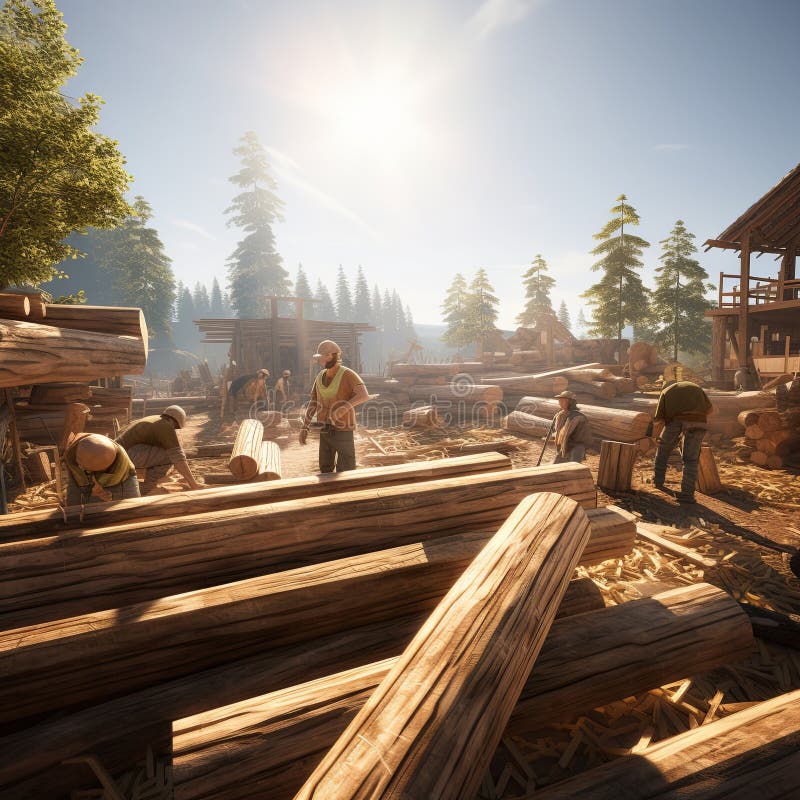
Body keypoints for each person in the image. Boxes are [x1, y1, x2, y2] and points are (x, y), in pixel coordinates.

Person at [299, 340, 369, 473]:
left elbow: (363, 395)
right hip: (325, 428)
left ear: (331, 355)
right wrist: (305, 426)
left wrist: (344, 408)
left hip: (343, 429)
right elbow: (313, 402)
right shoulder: (320, 377)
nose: (320, 362)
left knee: (346, 470)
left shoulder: (348, 374)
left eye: (322, 358)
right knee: (325, 468)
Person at [649, 380, 713, 504]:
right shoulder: (696, 387)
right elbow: (710, 410)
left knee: (663, 450)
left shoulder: (666, 391)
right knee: (691, 460)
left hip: (675, 421)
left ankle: (658, 482)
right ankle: (687, 495)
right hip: (698, 421)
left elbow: (658, 420)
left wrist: (658, 437)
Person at [115, 405, 201, 494]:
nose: (174, 430)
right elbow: (178, 457)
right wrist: (193, 484)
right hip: (123, 456)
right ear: (173, 421)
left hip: (118, 454)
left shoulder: (154, 420)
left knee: (166, 453)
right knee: (169, 456)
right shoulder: (165, 425)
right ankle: (146, 487)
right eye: (175, 427)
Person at [65, 433, 140, 510]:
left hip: (122, 479)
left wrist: (103, 493)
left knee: (132, 508)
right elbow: (74, 487)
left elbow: (129, 498)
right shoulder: (74, 455)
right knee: (79, 509)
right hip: (85, 469)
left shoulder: (122, 466)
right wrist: (72, 511)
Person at [551, 391, 592, 463]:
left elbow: (584, 437)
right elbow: (559, 432)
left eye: (563, 401)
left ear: (570, 402)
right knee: (556, 465)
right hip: (565, 446)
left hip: (577, 446)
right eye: (559, 400)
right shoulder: (561, 415)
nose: (560, 402)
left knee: (573, 467)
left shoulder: (579, 417)